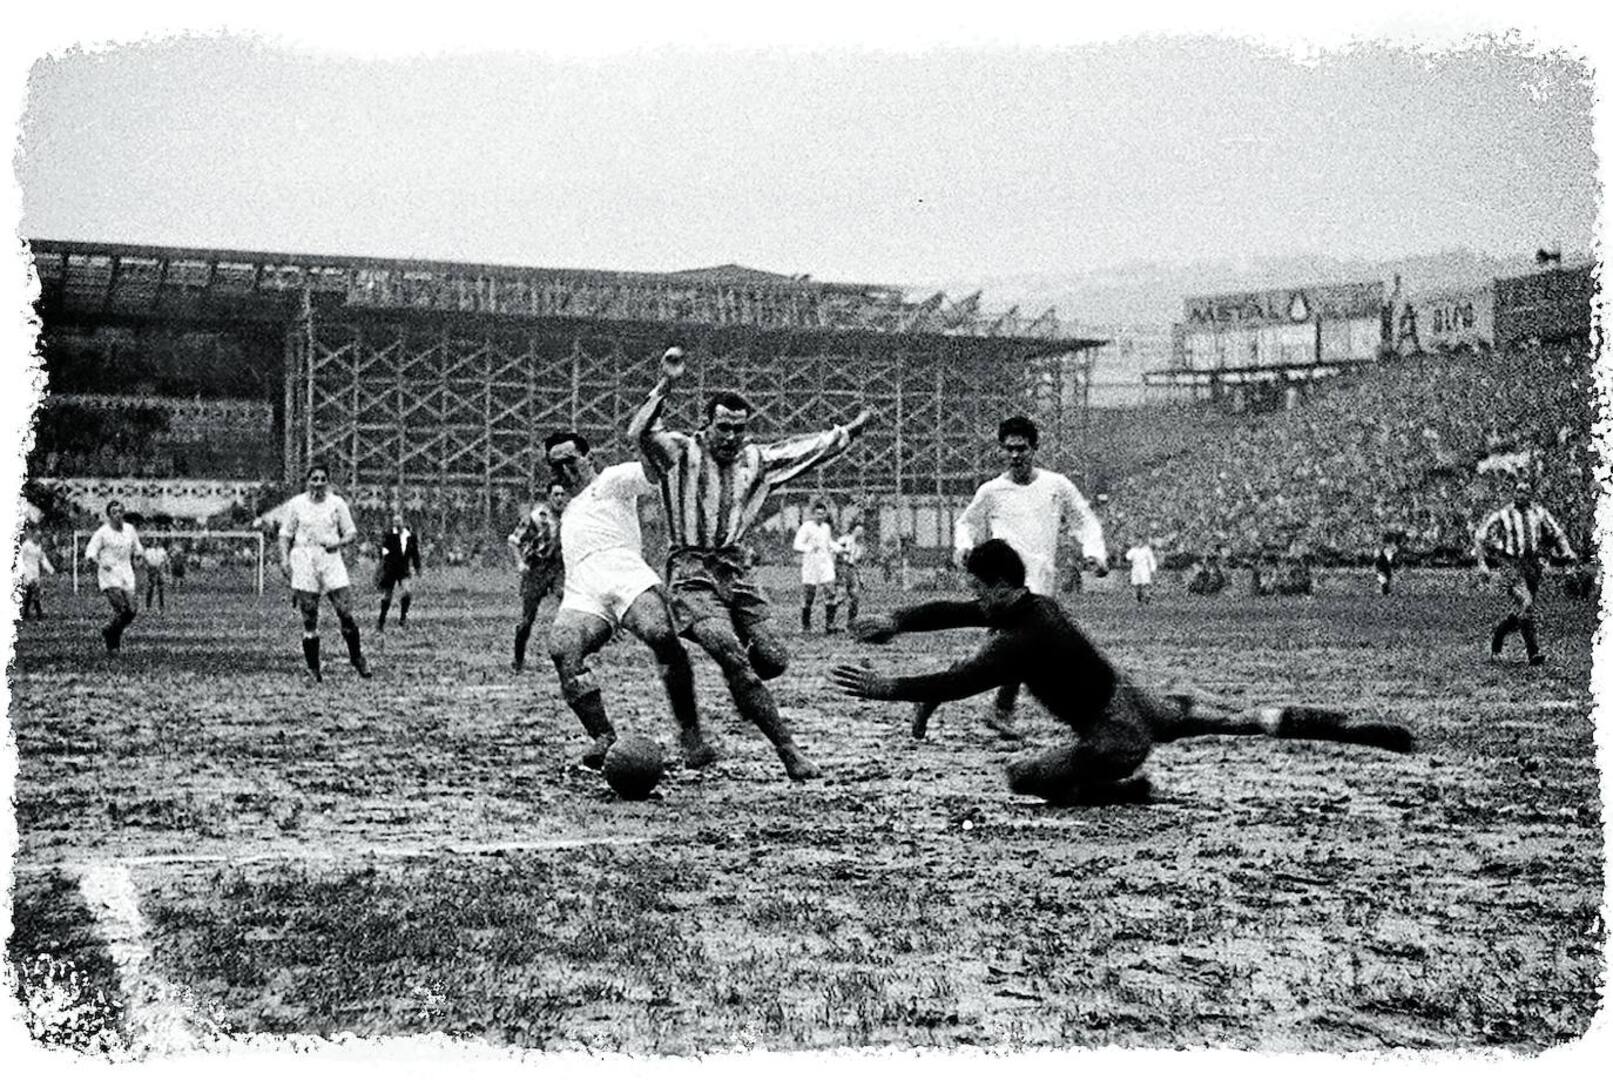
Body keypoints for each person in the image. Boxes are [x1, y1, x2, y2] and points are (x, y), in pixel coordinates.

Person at [831, 539, 1413, 803]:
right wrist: (900, 620)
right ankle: (1351, 727)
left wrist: (889, 688)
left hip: (1117, 735)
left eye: (979, 592)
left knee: (1023, 777)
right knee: (1243, 720)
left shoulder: (1022, 637)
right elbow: (958, 616)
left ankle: (1126, 793)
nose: (974, 602)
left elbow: (960, 682)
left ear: (1001, 588)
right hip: (1138, 698)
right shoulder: (1037, 607)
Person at [629, 361, 872, 781]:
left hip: (736, 569)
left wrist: (853, 427)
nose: (731, 437)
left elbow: (810, 448)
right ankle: (788, 751)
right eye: (723, 428)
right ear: (705, 426)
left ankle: (746, 691)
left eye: (739, 429)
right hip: (690, 569)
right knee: (730, 654)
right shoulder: (678, 451)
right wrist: (666, 384)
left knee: (773, 661)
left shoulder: (756, 460)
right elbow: (637, 432)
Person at [920, 415, 1108, 741]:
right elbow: (966, 523)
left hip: (1041, 583)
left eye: (1021, 448)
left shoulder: (1056, 485)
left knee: (1004, 657)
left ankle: (943, 692)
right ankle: (999, 711)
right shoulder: (992, 491)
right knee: (1025, 652)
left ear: (1035, 448)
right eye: (1009, 449)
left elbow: (1084, 520)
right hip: (1004, 589)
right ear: (1001, 451)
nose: (1015, 455)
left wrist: (1095, 553)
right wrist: (963, 547)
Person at [542, 431, 718, 771]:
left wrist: (659, 437)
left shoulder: (610, 481)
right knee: (562, 648)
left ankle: (691, 736)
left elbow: (652, 471)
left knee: (661, 635)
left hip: (625, 573)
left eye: (570, 461)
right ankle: (603, 736)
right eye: (556, 465)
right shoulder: (566, 506)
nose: (564, 470)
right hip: (584, 590)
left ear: (588, 458)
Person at [277, 462, 372, 681]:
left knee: (344, 611)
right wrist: (284, 559)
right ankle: (313, 668)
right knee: (309, 614)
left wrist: (338, 543)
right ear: (307, 481)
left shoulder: (336, 503)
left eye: (322, 479)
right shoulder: (296, 504)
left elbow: (351, 533)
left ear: (328, 482)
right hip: (304, 558)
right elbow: (285, 534)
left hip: (330, 557)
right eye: (314, 479)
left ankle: (357, 657)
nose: (318, 484)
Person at [1474, 481, 1577, 666]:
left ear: (1530, 495)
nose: (1521, 495)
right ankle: (1533, 653)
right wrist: (1482, 564)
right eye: (1518, 491)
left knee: (1524, 611)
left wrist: (1566, 552)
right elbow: (1480, 536)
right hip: (1510, 563)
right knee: (1526, 602)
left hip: (1531, 565)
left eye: (1525, 492)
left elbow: (1557, 534)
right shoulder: (1503, 515)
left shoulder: (1539, 513)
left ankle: (1499, 636)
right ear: (1514, 494)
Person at [508, 481, 568, 673]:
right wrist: (520, 562)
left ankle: (567, 656)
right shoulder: (537, 517)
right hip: (536, 568)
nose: (559, 498)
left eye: (562, 494)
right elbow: (514, 541)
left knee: (567, 605)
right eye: (556, 495)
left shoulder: (571, 515)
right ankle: (518, 659)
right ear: (549, 497)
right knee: (527, 619)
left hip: (558, 568)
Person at [83, 500, 143, 653]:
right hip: (109, 573)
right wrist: (99, 562)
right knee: (122, 609)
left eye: (120, 512)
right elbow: (90, 552)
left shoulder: (129, 529)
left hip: (126, 572)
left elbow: (137, 547)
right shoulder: (103, 532)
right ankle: (113, 643)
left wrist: (138, 556)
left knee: (132, 611)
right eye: (114, 512)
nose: (118, 515)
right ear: (109, 515)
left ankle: (110, 630)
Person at [793, 500, 840, 633]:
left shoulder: (826, 527)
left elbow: (828, 543)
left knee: (831, 592)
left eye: (822, 514)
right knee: (809, 596)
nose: (820, 516)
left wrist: (840, 549)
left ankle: (830, 625)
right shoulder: (806, 527)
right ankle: (806, 626)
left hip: (825, 564)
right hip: (811, 565)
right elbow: (796, 545)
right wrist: (809, 547)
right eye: (818, 514)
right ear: (813, 514)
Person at [375, 512, 423, 632]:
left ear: (403, 522)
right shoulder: (389, 535)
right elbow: (382, 551)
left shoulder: (411, 536)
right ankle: (381, 621)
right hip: (390, 569)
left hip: (403, 569)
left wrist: (417, 567)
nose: (397, 524)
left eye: (399, 521)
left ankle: (403, 619)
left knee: (407, 592)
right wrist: (382, 565)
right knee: (387, 597)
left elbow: (415, 553)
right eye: (395, 521)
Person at [15, 523, 55, 620]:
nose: (38, 538)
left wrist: (50, 569)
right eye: (37, 536)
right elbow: (20, 558)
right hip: (27, 571)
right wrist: (21, 571)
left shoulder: (39, 547)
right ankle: (38, 614)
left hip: (35, 572)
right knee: (33, 592)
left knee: (31, 593)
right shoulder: (26, 545)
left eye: (39, 537)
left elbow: (43, 558)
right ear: (33, 536)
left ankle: (26, 614)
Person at [835, 520, 868, 627]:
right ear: (853, 530)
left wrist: (861, 577)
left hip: (852, 570)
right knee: (841, 596)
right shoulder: (844, 540)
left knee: (855, 596)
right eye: (858, 530)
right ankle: (831, 619)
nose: (860, 532)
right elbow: (834, 551)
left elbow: (858, 563)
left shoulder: (860, 546)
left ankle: (851, 622)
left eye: (862, 531)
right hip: (842, 567)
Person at [1124, 538, 1158, 605]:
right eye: (1138, 541)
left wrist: (1153, 569)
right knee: (1137, 585)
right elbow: (1127, 557)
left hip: (1144, 569)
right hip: (1136, 569)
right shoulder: (1133, 550)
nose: (1139, 543)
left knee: (1145, 583)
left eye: (1141, 541)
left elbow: (1151, 560)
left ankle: (1147, 597)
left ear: (1143, 542)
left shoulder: (1147, 550)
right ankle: (1139, 598)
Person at [142, 543, 168, 612]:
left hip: (160, 569)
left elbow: (165, 560)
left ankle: (161, 606)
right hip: (152, 570)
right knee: (150, 588)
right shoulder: (148, 551)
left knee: (160, 589)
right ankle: (148, 606)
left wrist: (164, 569)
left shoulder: (162, 550)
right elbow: (145, 561)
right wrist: (148, 568)